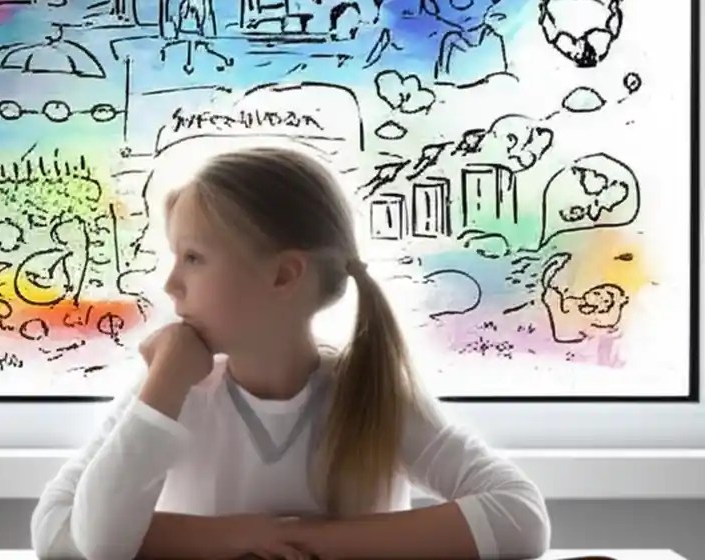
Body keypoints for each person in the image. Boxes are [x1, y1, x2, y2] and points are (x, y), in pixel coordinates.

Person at [30, 145, 551, 560]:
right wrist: (236, 537)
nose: (171, 284)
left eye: (193, 258)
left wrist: (312, 540)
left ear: (283, 275)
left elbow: (519, 516)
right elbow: (66, 536)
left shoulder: (370, 397)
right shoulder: (169, 394)